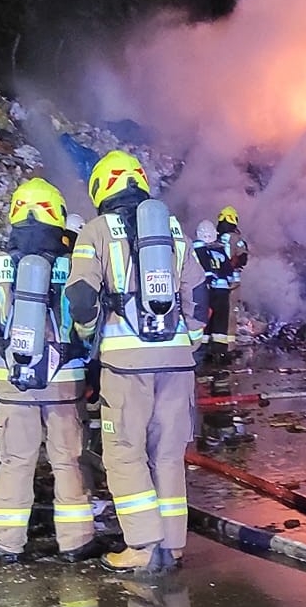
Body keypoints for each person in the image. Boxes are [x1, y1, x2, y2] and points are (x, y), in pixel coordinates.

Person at [66, 151, 207, 575]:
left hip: (126, 367)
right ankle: (174, 546)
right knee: (168, 455)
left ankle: (143, 548)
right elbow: (197, 294)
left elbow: (79, 297)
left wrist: (92, 335)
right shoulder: (172, 229)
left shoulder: (95, 231)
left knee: (126, 455)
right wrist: (191, 342)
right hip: (178, 363)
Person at [0, 178, 101, 564]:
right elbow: (84, 317)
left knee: (15, 462)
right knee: (69, 461)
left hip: (15, 381)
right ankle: (75, 542)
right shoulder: (73, 261)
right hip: (65, 381)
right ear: (57, 218)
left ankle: (7, 543)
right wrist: (90, 368)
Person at [192, 219, 233, 364]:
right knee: (221, 322)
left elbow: (203, 269)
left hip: (206, 289)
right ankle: (219, 352)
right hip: (223, 290)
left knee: (205, 318)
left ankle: (203, 351)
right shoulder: (220, 250)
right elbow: (229, 272)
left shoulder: (198, 249)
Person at [215, 205, 248, 360]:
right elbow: (243, 258)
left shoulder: (215, 240)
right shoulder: (237, 239)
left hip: (216, 284)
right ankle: (229, 347)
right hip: (232, 283)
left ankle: (214, 346)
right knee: (231, 314)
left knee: (217, 314)